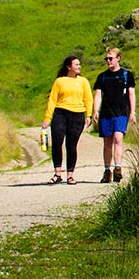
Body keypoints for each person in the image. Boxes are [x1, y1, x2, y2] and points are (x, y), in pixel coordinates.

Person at [42, 55, 93, 184]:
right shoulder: (59, 81)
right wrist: (47, 118)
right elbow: (52, 100)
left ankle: (70, 175)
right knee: (57, 142)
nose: (79, 67)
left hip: (77, 115)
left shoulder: (83, 81)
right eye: (76, 64)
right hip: (61, 113)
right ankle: (57, 173)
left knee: (72, 145)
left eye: (79, 64)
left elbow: (88, 99)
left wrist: (88, 115)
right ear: (69, 67)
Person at [91, 47, 138, 183]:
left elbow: (131, 94)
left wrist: (132, 112)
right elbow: (98, 94)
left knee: (118, 138)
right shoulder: (102, 76)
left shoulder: (126, 75)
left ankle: (118, 168)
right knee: (107, 142)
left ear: (118, 58)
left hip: (121, 111)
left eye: (110, 58)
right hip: (106, 112)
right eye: (106, 59)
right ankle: (107, 170)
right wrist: (96, 110)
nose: (108, 61)